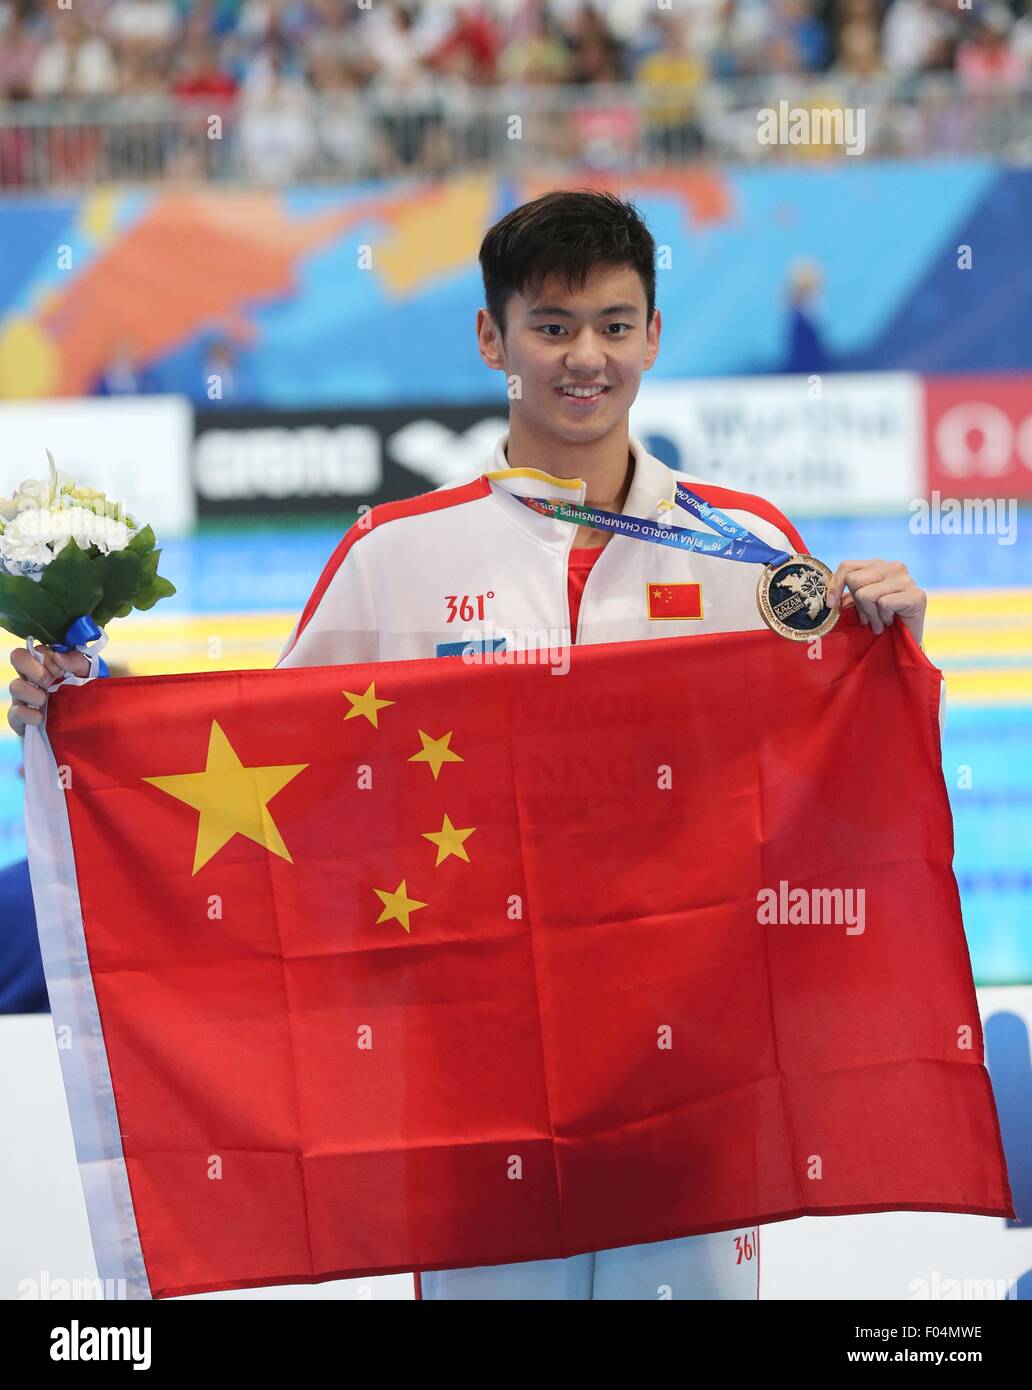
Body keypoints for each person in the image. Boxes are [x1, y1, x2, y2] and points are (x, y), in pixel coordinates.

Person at [6, 190, 929, 1298]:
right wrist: (94, 707)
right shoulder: (398, 554)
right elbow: (267, 769)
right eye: (551, 325)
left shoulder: (750, 554)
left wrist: (891, 646)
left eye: (615, 324)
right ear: (492, 338)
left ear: (653, 336)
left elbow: (838, 796)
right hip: (471, 1085)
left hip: (689, 1075)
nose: (585, 356)